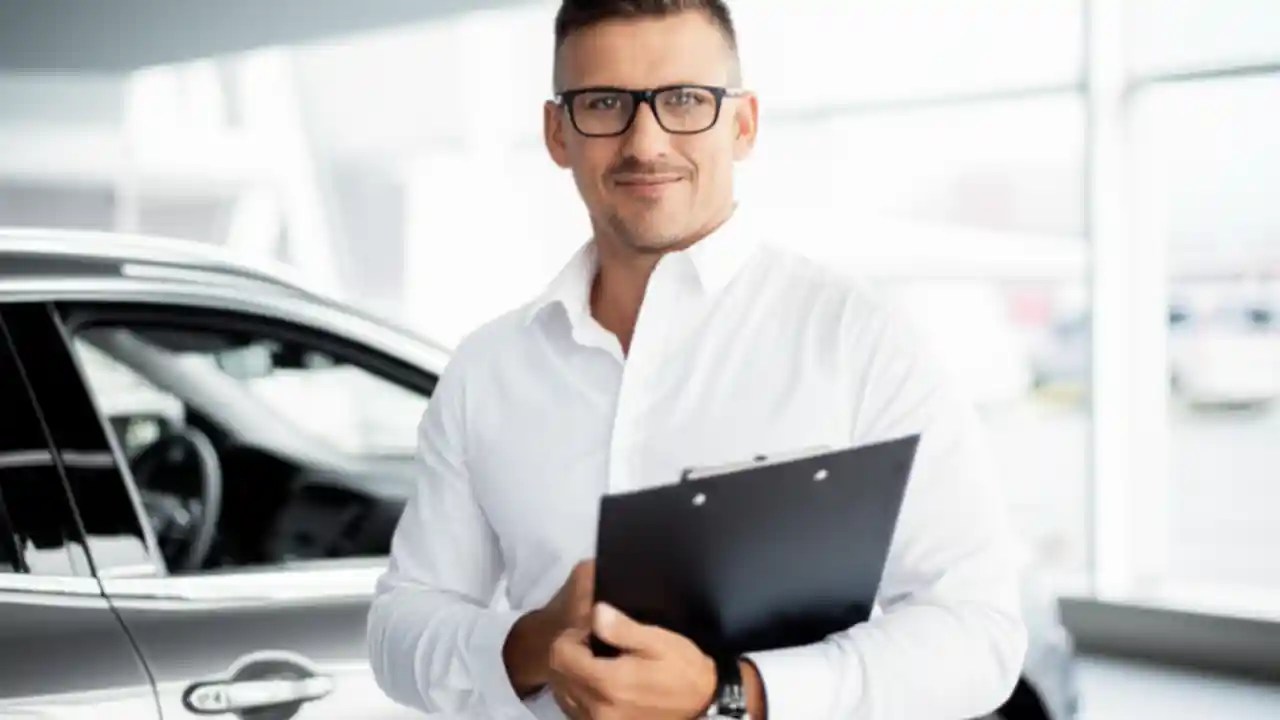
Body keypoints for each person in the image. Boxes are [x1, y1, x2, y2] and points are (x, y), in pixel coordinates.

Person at [368, 1, 1027, 717]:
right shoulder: (486, 370)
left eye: (685, 100)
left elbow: (978, 636)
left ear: (742, 124)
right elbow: (401, 627)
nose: (645, 141)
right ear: (558, 133)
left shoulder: (861, 341)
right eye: (604, 103)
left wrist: (733, 694)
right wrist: (532, 641)